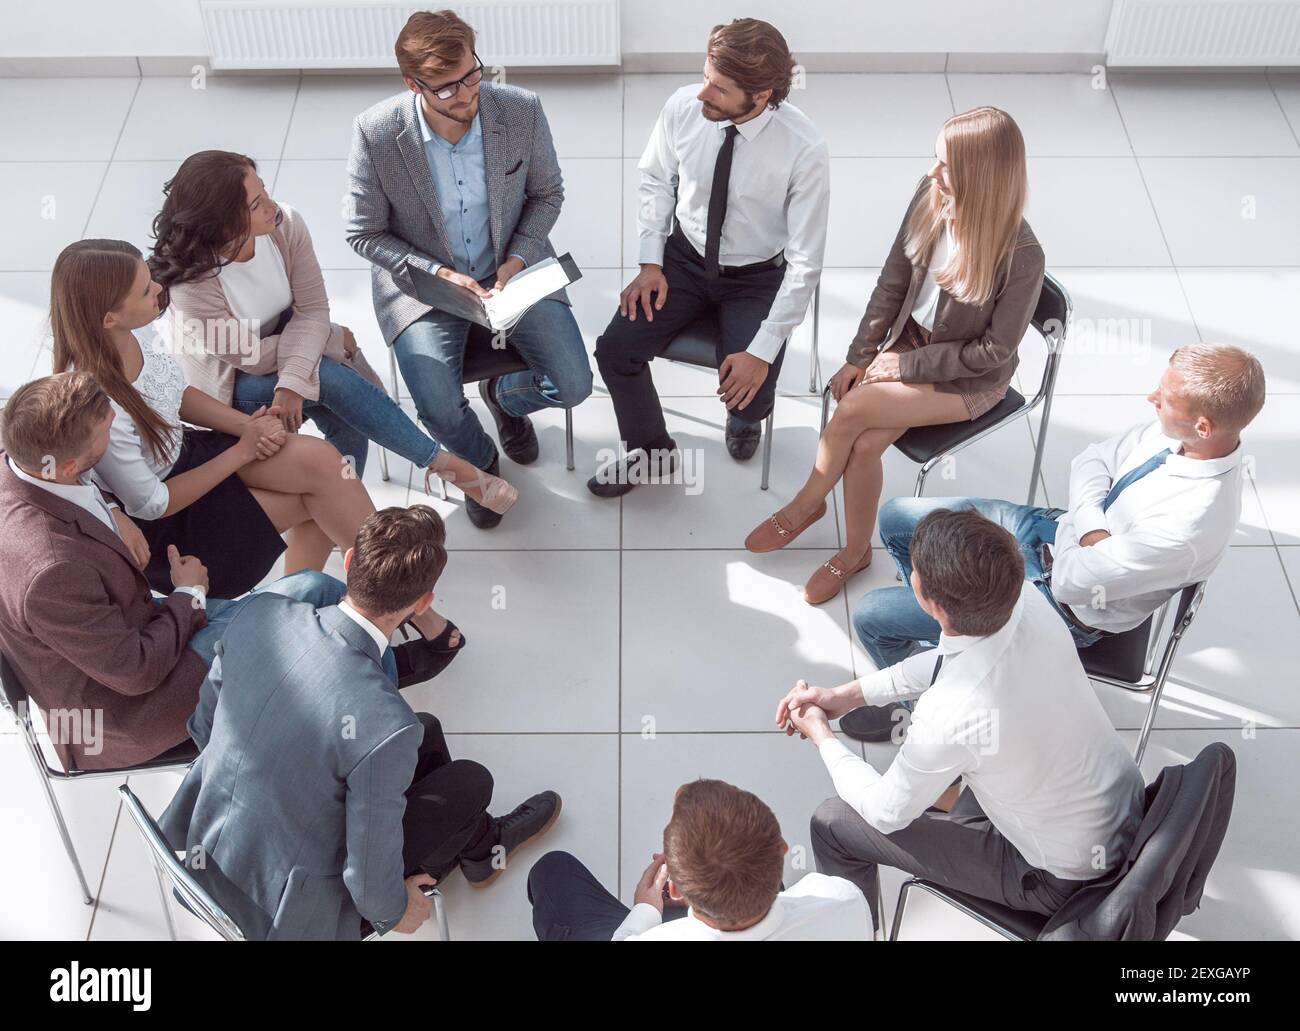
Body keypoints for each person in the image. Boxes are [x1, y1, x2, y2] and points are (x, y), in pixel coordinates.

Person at [49, 238, 464, 673]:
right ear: (108, 317)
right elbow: (150, 503)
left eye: (148, 277)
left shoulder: (133, 333)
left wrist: (243, 425)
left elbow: (176, 394)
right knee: (316, 501)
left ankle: (358, 612)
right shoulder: (98, 405)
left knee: (325, 464)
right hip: (176, 519)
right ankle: (393, 613)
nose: (158, 288)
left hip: (192, 453)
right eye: (144, 288)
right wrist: (243, 449)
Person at [161, 505, 562, 940]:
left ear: (349, 560)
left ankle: (481, 845)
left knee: (425, 731)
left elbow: (203, 727)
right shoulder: (385, 725)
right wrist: (392, 912)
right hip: (281, 913)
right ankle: (482, 846)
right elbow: (367, 877)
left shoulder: (258, 614)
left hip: (204, 852)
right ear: (422, 602)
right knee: (470, 780)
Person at [845, 341, 1266, 741]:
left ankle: (921, 710)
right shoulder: (1181, 434)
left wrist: (1081, 525)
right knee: (899, 518)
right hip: (1053, 533)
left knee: (872, 616)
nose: (1151, 397)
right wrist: (1092, 532)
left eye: (1166, 397)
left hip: (1060, 603)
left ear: (1204, 426)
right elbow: (1091, 459)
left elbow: (1070, 583)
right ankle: (951, 641)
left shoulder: (1192, 523)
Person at [776, 508, 1146, 931]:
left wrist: (822, 734)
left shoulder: (953, 712)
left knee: (834, 823)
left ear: (930, 603)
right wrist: (849, 695)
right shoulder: (1028, 600)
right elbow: (952, 659)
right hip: (1122, 811)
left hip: (1060, 879)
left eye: (912, 572)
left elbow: (884, 813)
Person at [745, 107, 1044, 605]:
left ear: (980, 175)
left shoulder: (1023, 254)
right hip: (911, 343)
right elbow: (893, 281)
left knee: (854, 411)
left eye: (945, 165)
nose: (932, 173)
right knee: (862, 447)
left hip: (970, 379)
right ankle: (856, 552)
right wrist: (860, 355)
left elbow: (993, 352)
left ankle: (806, 504)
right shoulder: (931, 198)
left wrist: (905, 367)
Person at [0, 372, 345, 771]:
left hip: (140, 627)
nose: (116, 424)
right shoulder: (53, 571)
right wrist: (189, 594)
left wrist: (112, 511)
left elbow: (83, 478)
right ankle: (368, 720)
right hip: (136, 709)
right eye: (106, 430)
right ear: (71, 465)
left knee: (316, 599)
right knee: (314, 601)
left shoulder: (22, 461)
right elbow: (137, 672)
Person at [151, 149, 516, 511]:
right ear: (222, 224)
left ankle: (343, 512)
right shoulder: (191, 285)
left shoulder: (285, 225)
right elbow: (254, 358)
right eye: (255, 205)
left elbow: (311, 311)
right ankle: (447, 466)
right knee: (329, 376)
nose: (271, 206)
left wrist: (295, 378)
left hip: (287, 341)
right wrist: (328, 339)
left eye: (264, 190)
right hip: (232, 381)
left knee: (345, 420)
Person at [346, 8, 592, 529]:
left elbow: (548, 194)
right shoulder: (376, 133)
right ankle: (480, 463)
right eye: (446, 88)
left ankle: (504, 398)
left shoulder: (520, 110)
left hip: (512, 273)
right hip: (425, 287)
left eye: (472, 75)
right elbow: (362, 233)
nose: (465, 94)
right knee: (436, 407)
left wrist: (518, 258)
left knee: (573, 385)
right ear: (413, 84)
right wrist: (437, 273)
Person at [588, 18, 829, 497]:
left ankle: (744, 419)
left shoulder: (805, 149)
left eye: (718, 89)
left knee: (751, 395)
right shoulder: (683, 106)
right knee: (615, 349)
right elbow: (656, 179)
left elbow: (805, 262)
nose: (702, 95)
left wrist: (761, 352)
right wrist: (649, 262)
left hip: (757, 278)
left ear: (760, 94)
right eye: (704, 79)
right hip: (682, 260)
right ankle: (653, 450)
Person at [527, 779, 870, 940]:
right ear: (781, 847)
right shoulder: (843, 898)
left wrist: (645, 909)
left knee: (553, 869)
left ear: (673, 889)